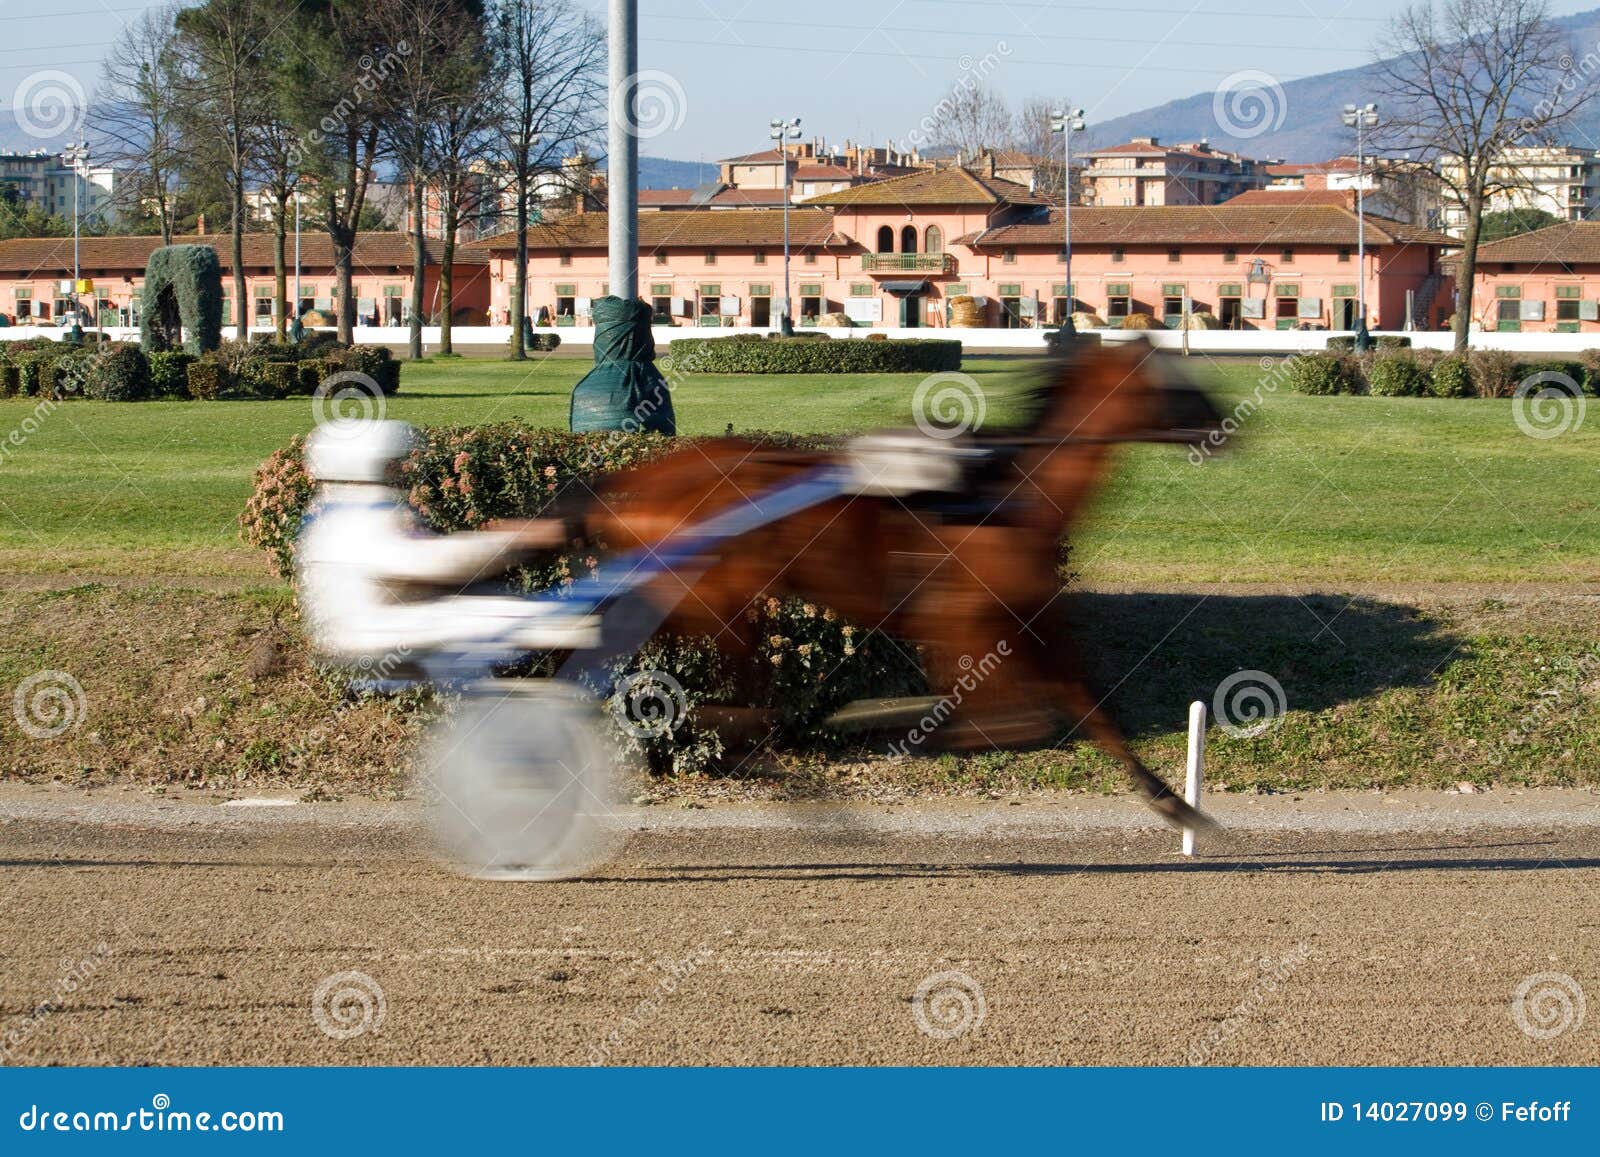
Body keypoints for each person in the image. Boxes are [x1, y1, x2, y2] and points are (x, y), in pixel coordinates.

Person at [297, 420, 596, 664]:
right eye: (393, 465)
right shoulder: (354, 522)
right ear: (364, 465)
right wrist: (515, 540)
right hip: (375, 633)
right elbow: (434, 562)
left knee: (513, 613)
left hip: (386, 624)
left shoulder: (348, 508)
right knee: (538, 617)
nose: (403, 471)